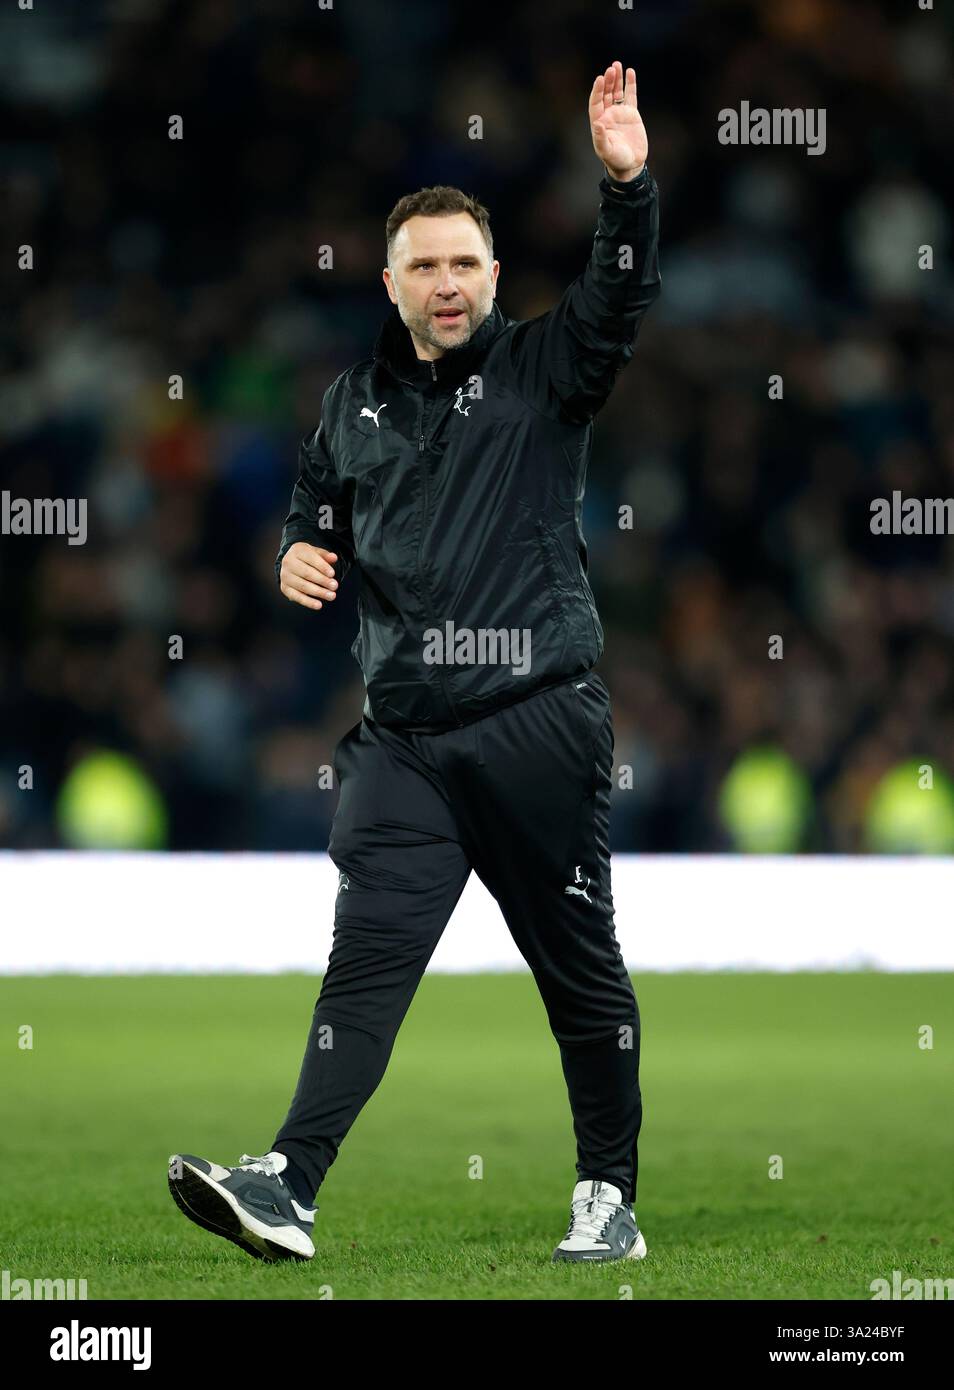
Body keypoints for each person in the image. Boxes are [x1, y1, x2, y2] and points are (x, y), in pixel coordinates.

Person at [169, 60, 661, 1266]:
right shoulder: (349, 407)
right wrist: (295, 552)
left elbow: (620, 296)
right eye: (424, 266)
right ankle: (288, 1182)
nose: (447, 283)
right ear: (390, 285)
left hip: (539, 721)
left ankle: (609, 1191)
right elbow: (314, 512)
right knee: (366, 967)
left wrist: (627, 188)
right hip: (405, 746)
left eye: (466, 263)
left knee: (577, 974)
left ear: (496, 278)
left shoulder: (549, 372)